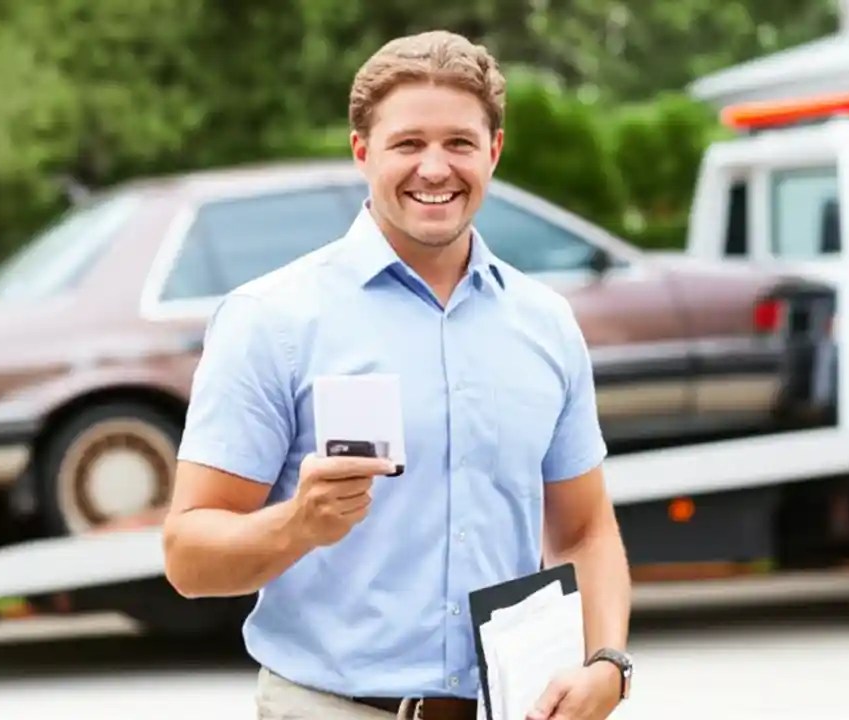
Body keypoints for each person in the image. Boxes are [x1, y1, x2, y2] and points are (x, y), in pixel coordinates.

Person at [162, 29, 633, 720]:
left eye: (460, 144)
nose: (435, 169)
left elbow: (584, 532)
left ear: (494, 151)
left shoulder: (547, 324)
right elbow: (188, 556)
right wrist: (299, 523)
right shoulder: (273, 320)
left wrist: (608, 664)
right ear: (363, 152)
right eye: (409, 144)